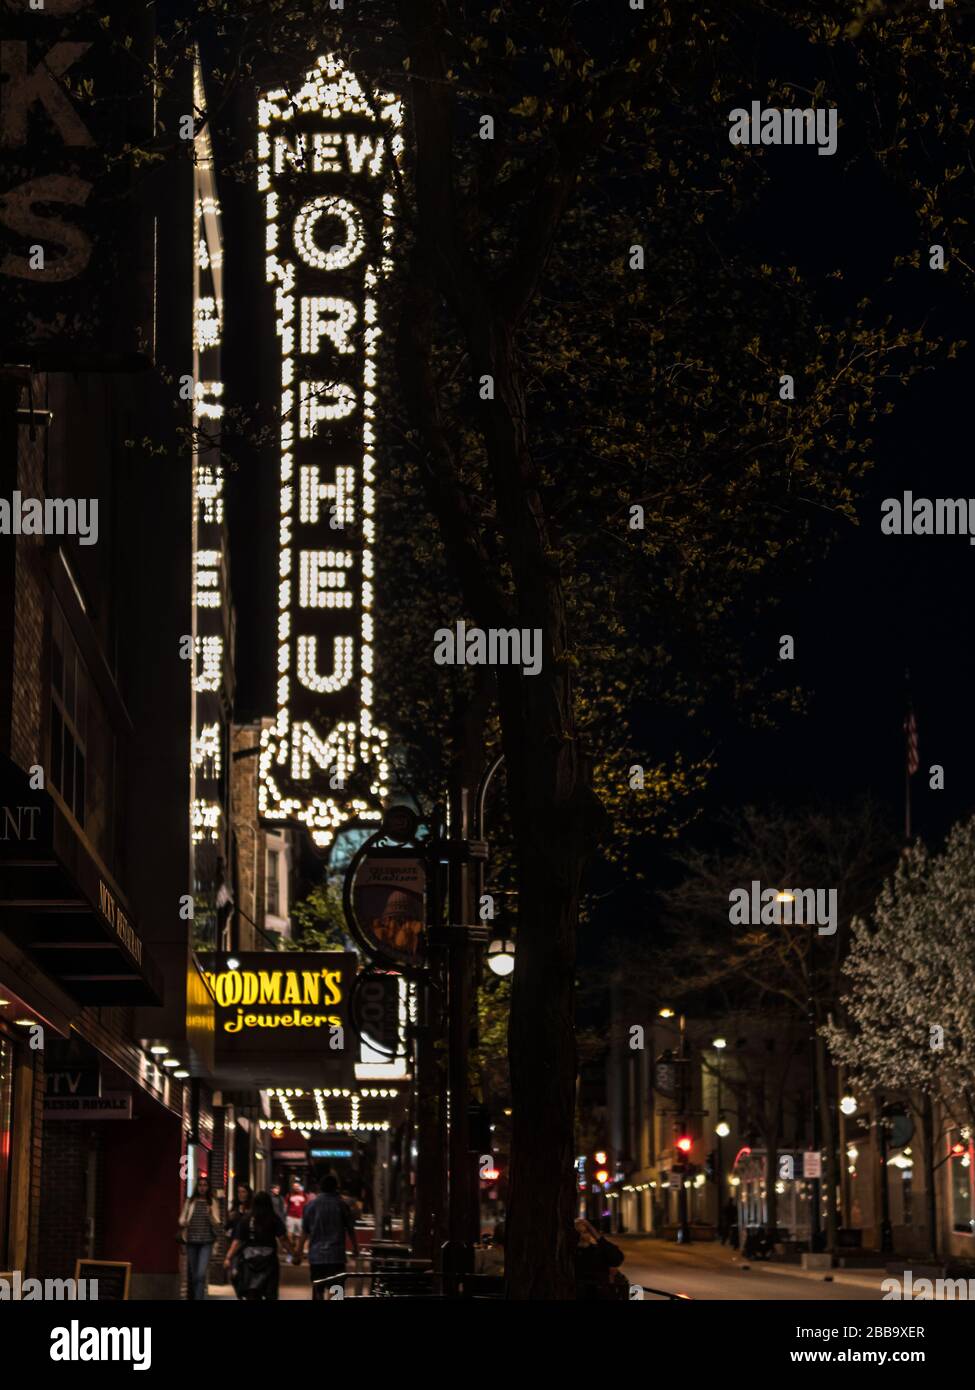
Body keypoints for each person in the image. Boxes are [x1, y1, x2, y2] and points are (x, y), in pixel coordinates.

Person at [298, 1175, 358, 1300]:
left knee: (318, 1289)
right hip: (336, 1256)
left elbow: (304, 1231)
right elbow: (350, 1229)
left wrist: (297, 1253)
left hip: (316, 1256)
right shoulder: (341, 1205)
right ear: (336, 1188)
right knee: (337, 1291)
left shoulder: (310, 1205)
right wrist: (355, 1248)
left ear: (320, 1187)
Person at [224, 1190, 286, 1300]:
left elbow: (237, 1241)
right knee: (270, 1293)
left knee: (251, 1292)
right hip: (269, 1261)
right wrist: (294, 1253)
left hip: (250, 1261)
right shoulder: (273, 1218)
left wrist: (228, 1257)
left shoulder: (246, 1219)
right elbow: (283, 1239)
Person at [179, 1176, 220, 1300]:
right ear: (197, 1187)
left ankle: (199, 1297)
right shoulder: (190, 1201)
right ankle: (199, 1295)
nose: (202, 1187)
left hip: (206, 1242)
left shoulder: (212, 1202)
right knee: (194, 1274)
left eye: (205, 1185)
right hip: (191, 1241)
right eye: (200, 1185)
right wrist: (184, 1222)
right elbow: (181, 1219)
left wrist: (210, 1215)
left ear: (208, 1188)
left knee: (201, 1274)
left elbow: (217, 1222)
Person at [573, 1217, 625, 1300]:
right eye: (578, 1233)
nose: (581, 1236)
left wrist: (598, 1237)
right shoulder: (571, 1253)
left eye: (585, 1232)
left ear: (590, 1234)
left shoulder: (598, 1251)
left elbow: (617, 1259)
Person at [285, 1179, 309, 1263]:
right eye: (295, 1186)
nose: (296, 1188)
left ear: (300, 1187)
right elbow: (286, 1205)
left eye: (298, 1186)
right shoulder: (289, 1195)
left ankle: (298, 1253)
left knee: (300, 1235)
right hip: (291, 1216)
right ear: (292, 1187)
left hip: (300, 1217)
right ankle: (291, 1252)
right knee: (290, 1235)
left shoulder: (304, 1195)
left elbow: (306, 1205)